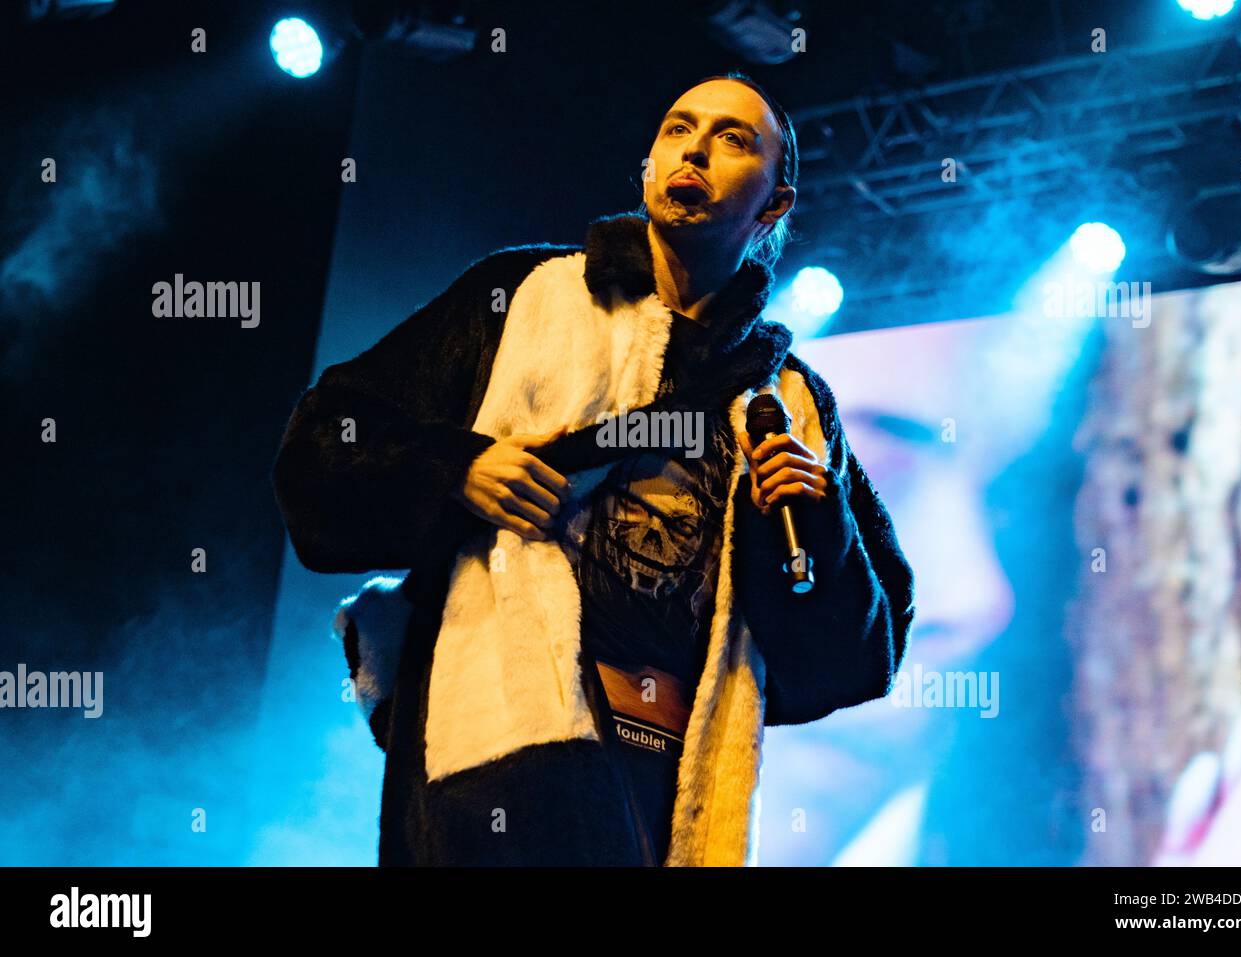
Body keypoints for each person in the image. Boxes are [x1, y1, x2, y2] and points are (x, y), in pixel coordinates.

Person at [271, 72, 915, 866]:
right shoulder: (523, 296)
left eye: (734, 138)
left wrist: (818, 520)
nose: (698, 148)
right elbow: (321, 447)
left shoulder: (789, 398)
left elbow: (852, 663)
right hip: (506, 756)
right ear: (647, 166)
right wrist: (455, 472)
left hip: (673, 781)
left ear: (774, 205)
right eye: (680, 128)